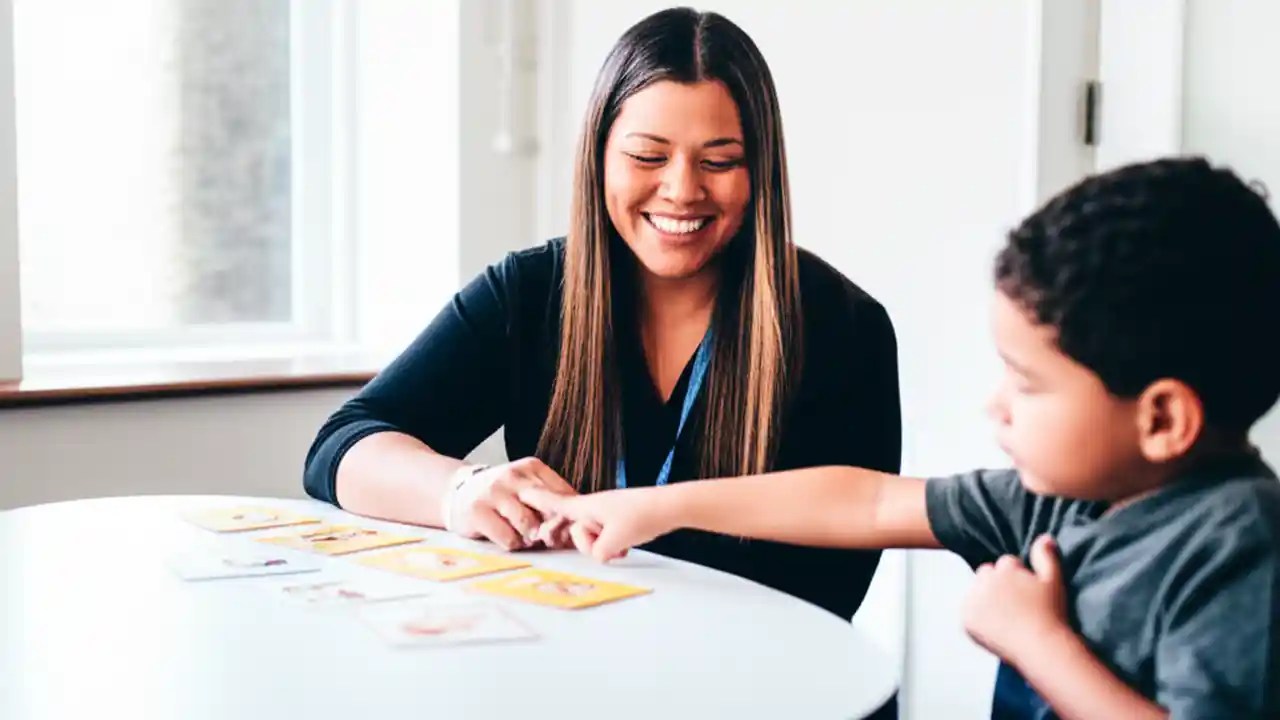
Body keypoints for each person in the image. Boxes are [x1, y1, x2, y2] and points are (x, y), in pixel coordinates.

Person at [521, 157, 1280, 719]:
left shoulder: (1238, 545)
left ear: (1162, 420)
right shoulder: (1064, 500)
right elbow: (870, 500)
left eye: (1029, 383)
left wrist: (1037, 642)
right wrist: (658, 507)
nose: (998, 407)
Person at [302, 7, 901, 620]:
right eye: (647, 156)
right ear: (599, 156)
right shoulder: (530, 292)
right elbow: (340, 449)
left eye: (718, 161)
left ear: (761, 171)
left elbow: (828, 592)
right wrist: (461, 491)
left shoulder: (843, 329)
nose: (681, 190)